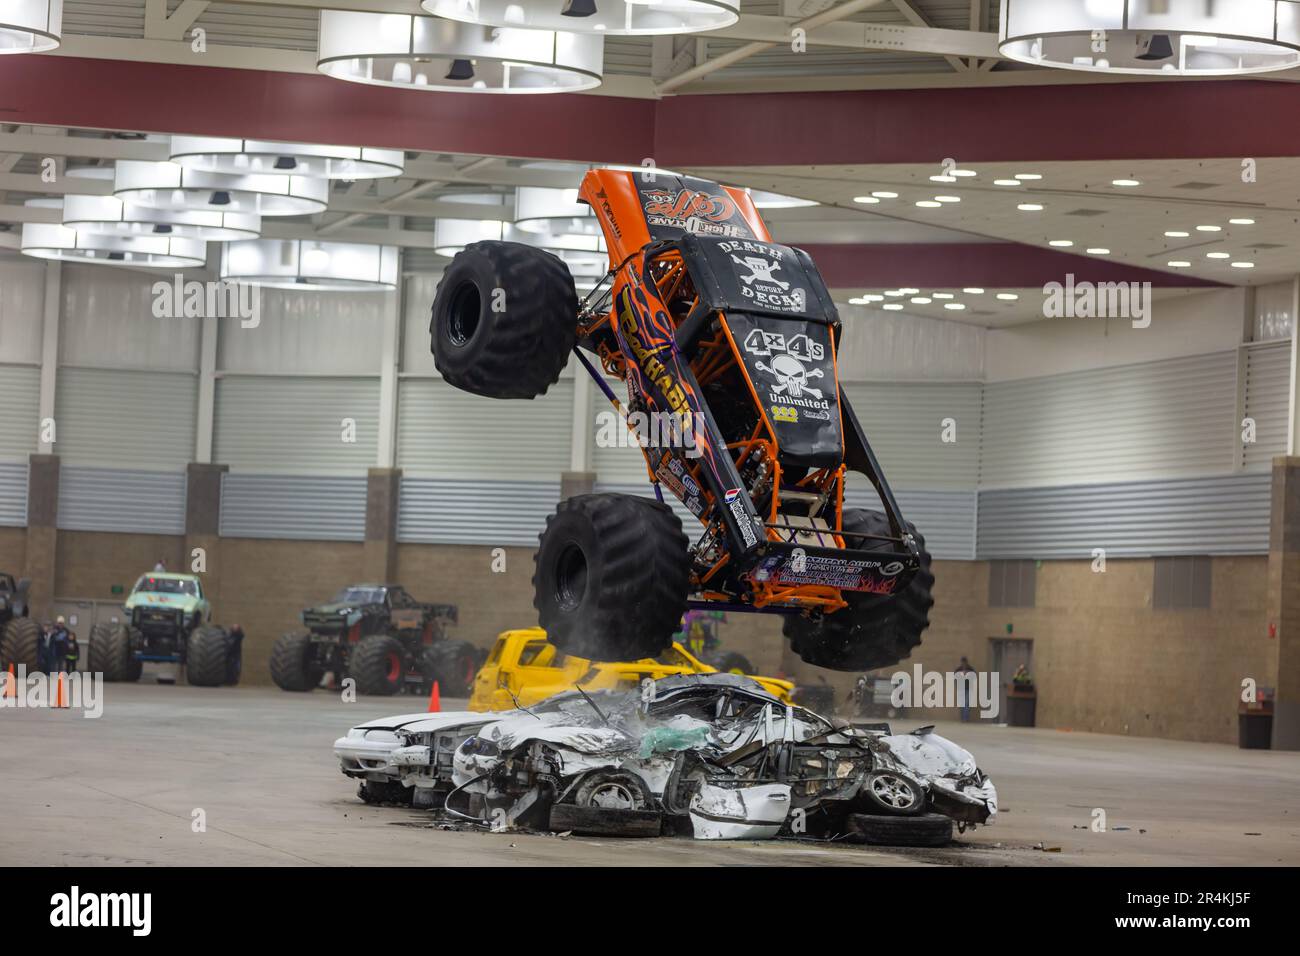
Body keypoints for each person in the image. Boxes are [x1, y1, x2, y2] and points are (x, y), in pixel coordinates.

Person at [955, 656, 977, 722]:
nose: (963, 664)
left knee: (967, 704)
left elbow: (974, 677)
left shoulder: (970, 669)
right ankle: (963, 718)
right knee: (962, 704)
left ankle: (965, 718)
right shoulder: (958, 669)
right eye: (963, 662)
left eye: (964, 662)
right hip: (961, 688)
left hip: (968, 688)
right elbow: (955, 678)